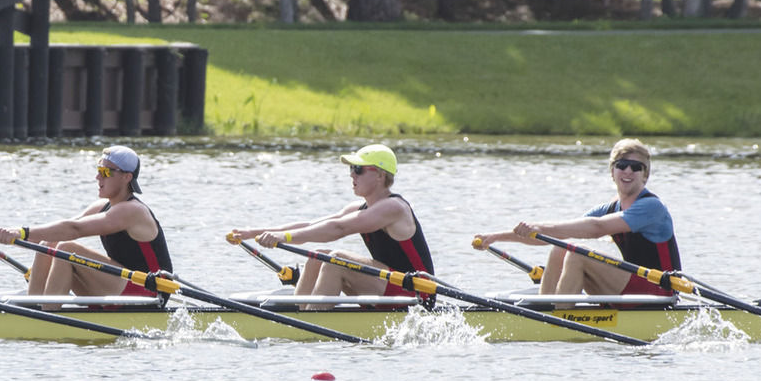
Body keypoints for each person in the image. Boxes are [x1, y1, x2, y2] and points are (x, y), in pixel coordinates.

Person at [230, 144, 434, 309]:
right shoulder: (360, 207)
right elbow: (313, 225)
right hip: (389, 289)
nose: (352, 175)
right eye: (351, 169)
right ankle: (297, 314)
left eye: (358, 169)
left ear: (380, 175)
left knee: (336, 260)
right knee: (317, 255)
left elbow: (338, 229)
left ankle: (312, 320)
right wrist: (254, 233)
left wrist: (285, 238)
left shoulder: (393, 207)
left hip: (416, 295)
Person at [472, 138, 680, 299]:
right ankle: (545, 309)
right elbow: (558, 234)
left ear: (645, 175)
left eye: (636, 167)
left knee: (577, 254)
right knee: (561, 247)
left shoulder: (651, 207)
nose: (628, 171)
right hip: (632, 289)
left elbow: (596, 228)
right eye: (622, 165)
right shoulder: (610, 208)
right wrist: (495, 237)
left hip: (659, 292)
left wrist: (539, 226)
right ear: (612, 171)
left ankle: (560, 315)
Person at [0, 146, 173, 309]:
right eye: (98, 171)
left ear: (127, 177)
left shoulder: (132, 211)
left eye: (105, 172)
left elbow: (74, 229)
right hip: (122, 287)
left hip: (149, 293)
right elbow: (59, 231)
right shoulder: (103, 207)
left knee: (67, 249)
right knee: (50, 242)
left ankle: (47, 315)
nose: (98, 178)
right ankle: (32, 307)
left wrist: (21, 232)